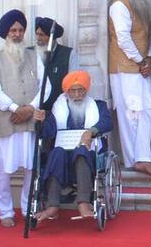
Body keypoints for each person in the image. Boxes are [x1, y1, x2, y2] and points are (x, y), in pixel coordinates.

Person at [0, 10, 45, 228]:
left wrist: (29, 108)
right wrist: (14, 108)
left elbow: (44, 86)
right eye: (13, 30)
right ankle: (5, 212)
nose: (18, 34)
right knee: (4, 169)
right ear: (5, 33)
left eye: (20, 30)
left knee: (31, 167)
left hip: (29, 120)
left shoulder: (34, 55)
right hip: (7, 121)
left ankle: (29, 209)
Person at [37, 71, 114, 222]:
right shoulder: (57, 109)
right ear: (67, 92)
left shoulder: (98, 105)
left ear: (86, 90)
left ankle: (83, 202)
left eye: (81, 90)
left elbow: (107, 122)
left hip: (89, 155)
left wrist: (91, 132)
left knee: (81, 150)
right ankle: (52, 205)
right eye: (73, 91)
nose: (77, 95)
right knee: (56, 152)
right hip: (63, 158)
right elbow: (48, 132)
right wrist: (42, 121)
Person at [108, 0, 151, 176]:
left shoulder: (140, 5)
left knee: (148, 110)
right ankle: (134, 160)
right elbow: (124, 39)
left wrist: (148, 59)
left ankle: (143, 157)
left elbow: (145, 36)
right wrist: (141, 61)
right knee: (132, 114)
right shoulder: (119, 6)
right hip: (125, 68)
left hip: (140, 67)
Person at [35, 17, 74, 113]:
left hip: (59, 111)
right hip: (33, 112)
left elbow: (73, 85)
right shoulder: (29, 53)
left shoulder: (68, 54)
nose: (38, 38)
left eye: (42, 35)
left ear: (52, 37)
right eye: (37, 34)